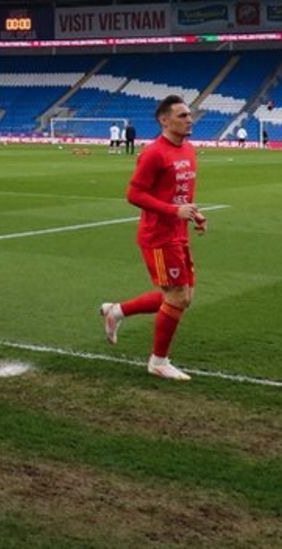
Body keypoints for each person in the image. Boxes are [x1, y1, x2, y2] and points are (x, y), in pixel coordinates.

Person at [99, 95, 206, 381]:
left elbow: (180, 193)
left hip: (178, 233)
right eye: (182, 115)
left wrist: (193, 214)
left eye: (189, 115)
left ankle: (117, 311)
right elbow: (134, 194)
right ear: (164, 120)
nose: (189, 120)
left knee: (184, 298)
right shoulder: (154, 153)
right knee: (176, 296)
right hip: (158, 236)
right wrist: (174, 210)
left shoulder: (189, 150)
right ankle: (158, 361)